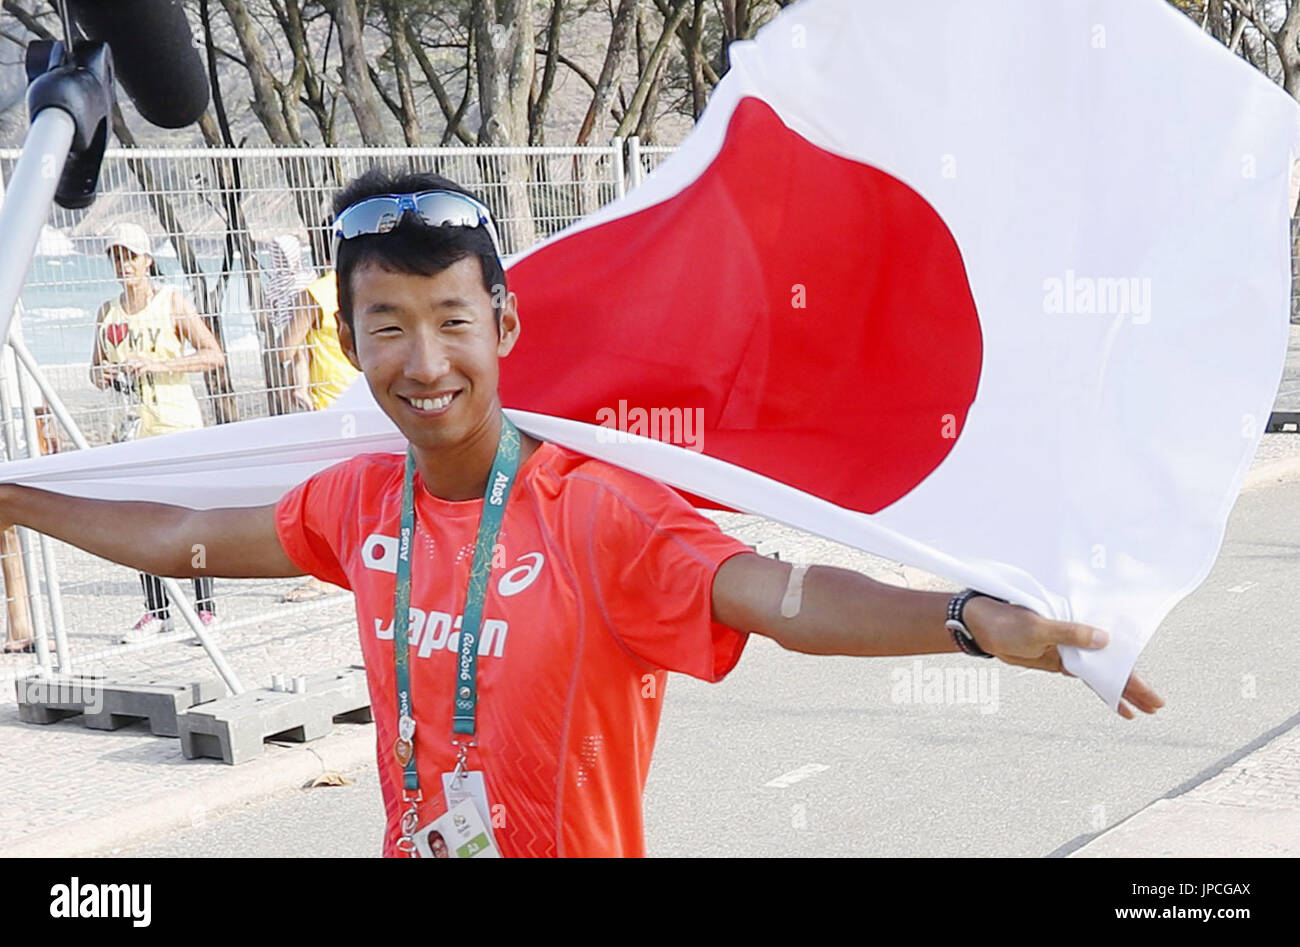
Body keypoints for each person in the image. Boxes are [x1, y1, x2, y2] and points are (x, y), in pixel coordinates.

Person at [6, 172, 1163, 857]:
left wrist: (964, 619)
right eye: (388, 325)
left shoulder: (594, 509)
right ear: (347, 343)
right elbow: (177, 538)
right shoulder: (360, 502)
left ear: (503, 327)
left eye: (451, 319)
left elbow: (788, 597)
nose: (424, 359)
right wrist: (17, 498)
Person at [88, 222, 226, 644]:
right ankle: (156, 610)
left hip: (177, 424)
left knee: (190, 519)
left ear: (147, 259)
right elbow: (93, 372)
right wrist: (108, 372)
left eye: (130, 255)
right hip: (134, 430)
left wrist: (157, 365)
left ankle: (205, 609)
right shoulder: (107, 312)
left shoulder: (170, 302)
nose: (124, 264)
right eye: (116, 256)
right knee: (140, 523)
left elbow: (213, 355)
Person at [265, 234, 360, 602]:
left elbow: (285, 348)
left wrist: (274, 317)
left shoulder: (315, 294)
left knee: (331, 495)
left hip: (331, 404)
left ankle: (325, 573)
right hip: (364, 397)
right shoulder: (367, 287)